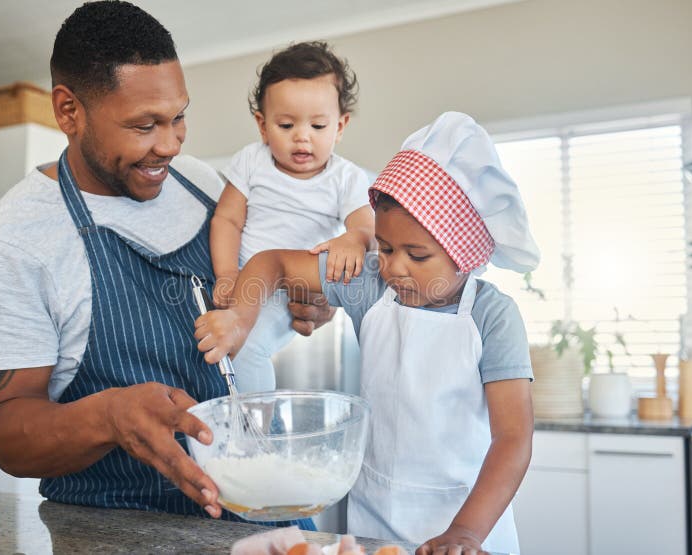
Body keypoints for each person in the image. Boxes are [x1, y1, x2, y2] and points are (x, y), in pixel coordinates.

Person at [0, 1, 330, 526]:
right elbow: (8, 434)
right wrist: (109, 416)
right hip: (125, 533)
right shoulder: (7, 246)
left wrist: (299, 300)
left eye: (178, 116)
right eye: (144, 125)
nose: (171, 143)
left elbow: (266, 276)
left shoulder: (200, 183)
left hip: (273, 514)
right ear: (68, 111)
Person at [196, 112, 540, 553]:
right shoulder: (373, 286)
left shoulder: (493, 316)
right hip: (376, 516)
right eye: (388, 247)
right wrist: (241, 319)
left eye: (417, 255)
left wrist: (467, 532)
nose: (395, 266)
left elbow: (513, 438)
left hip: (466, 524)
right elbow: (273, 263)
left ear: (465, 253)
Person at [210, 41, 374, 393]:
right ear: (262, 125)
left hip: (289, 292)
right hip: (242, 279)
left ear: (340, 126)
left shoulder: (346, 178)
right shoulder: (251, 161)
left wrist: (354, 238)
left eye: (317, 126)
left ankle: (257, 439)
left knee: (247, 350)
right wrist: (226, 273)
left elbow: (366, 227)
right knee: (218, 348)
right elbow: (227, 221)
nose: (302, 136)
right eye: (286, 125)